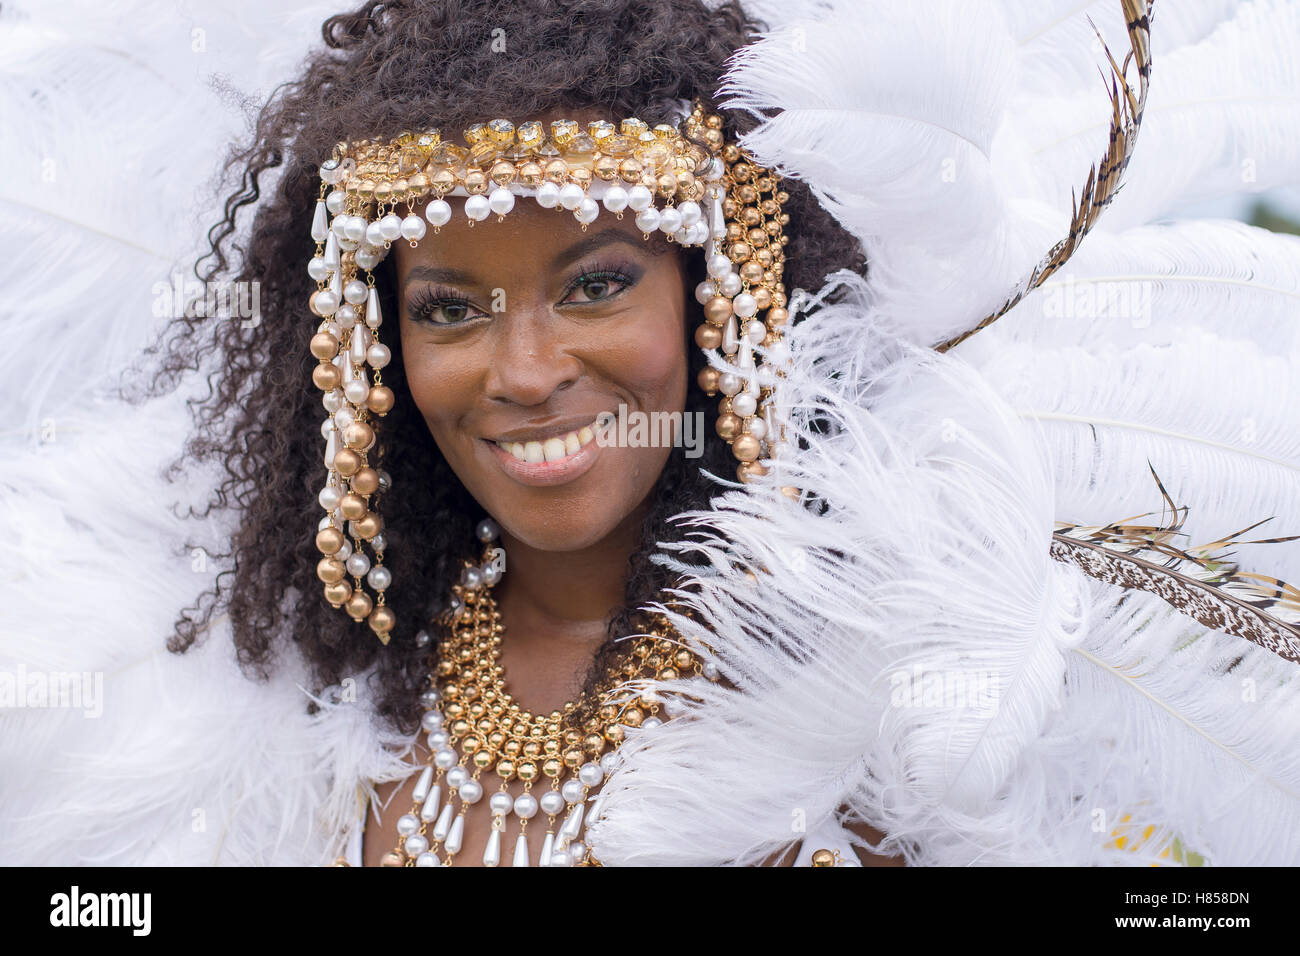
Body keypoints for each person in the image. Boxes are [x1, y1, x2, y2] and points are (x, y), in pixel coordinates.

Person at [5, 0, 1300, 867]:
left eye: (597, 284)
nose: (523, 373)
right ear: (371, 353)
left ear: (720, 289)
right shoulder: (314, 683)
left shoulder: (888, 680)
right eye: (450, 308)